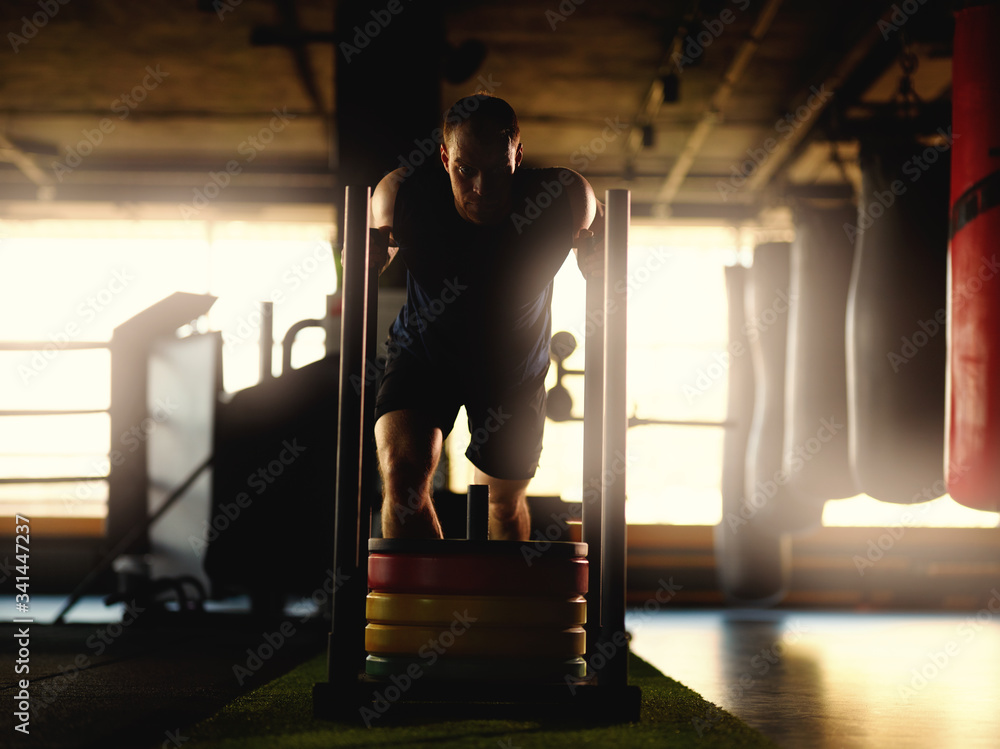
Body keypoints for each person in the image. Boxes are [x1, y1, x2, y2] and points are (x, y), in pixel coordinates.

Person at [367, 92, 604, 541]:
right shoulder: (402, 195)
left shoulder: (564, 197)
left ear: (518, 156)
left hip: (513, 371)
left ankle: (497, 588)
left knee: (503, 505)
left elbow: (600, 240)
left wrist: (600, 257)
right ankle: (434, 590)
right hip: (424, 356)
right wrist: (363, 260)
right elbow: (369, 252)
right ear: (445, 159)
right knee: (402, 485)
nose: (481, 187)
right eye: (465, 170)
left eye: (497, 169)